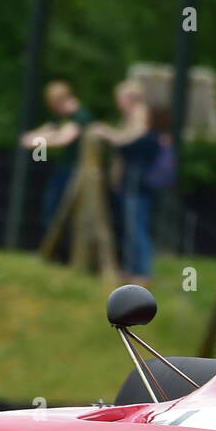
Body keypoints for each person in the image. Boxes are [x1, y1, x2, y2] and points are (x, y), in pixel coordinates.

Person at [89, 81, 173, 282]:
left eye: (120, 100)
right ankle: (132, 269)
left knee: (137, 227)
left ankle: (142, 272)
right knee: (131, 225)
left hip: (138, 182)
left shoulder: (141, 122)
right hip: (132, 182)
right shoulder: (135, 121)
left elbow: (129, 145)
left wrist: (107, 135)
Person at [19, 80, 92, 238]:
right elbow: (48, 129)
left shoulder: (80, 116)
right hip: (66, 169)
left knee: (58, 210)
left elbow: (64, 138)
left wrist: (38, 140)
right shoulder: (64, 117)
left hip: (77, 172)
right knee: (51, 207)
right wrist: (36, 137)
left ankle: (60, 249)